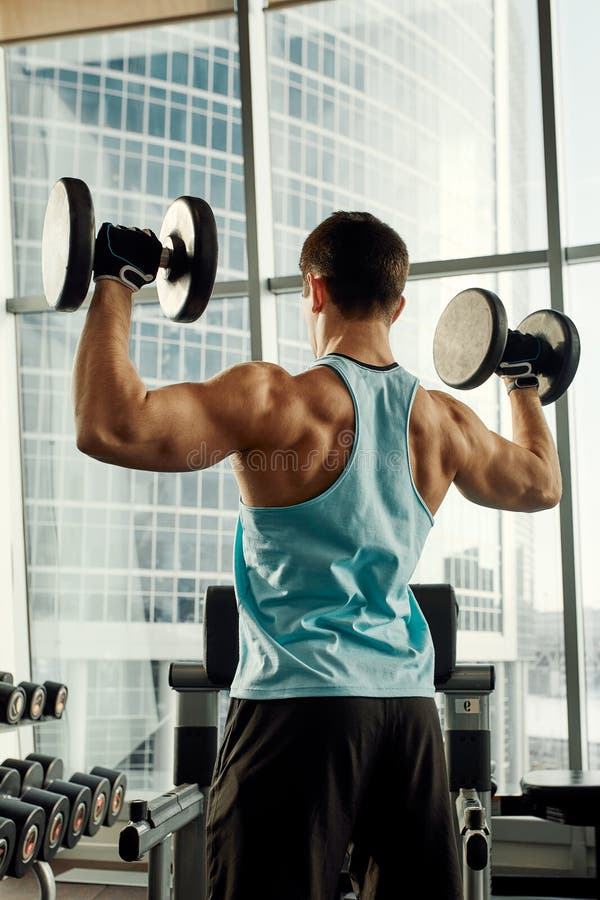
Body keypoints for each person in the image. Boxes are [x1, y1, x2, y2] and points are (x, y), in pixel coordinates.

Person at [74, 212, 562, 900]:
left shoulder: (276, 401)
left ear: (315, 290)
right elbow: (543, 484)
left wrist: (117, 279)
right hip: (406, 715)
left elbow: (108, 426)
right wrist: (521, 381)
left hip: (296, 708)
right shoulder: (444, 423)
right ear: (397, 305)